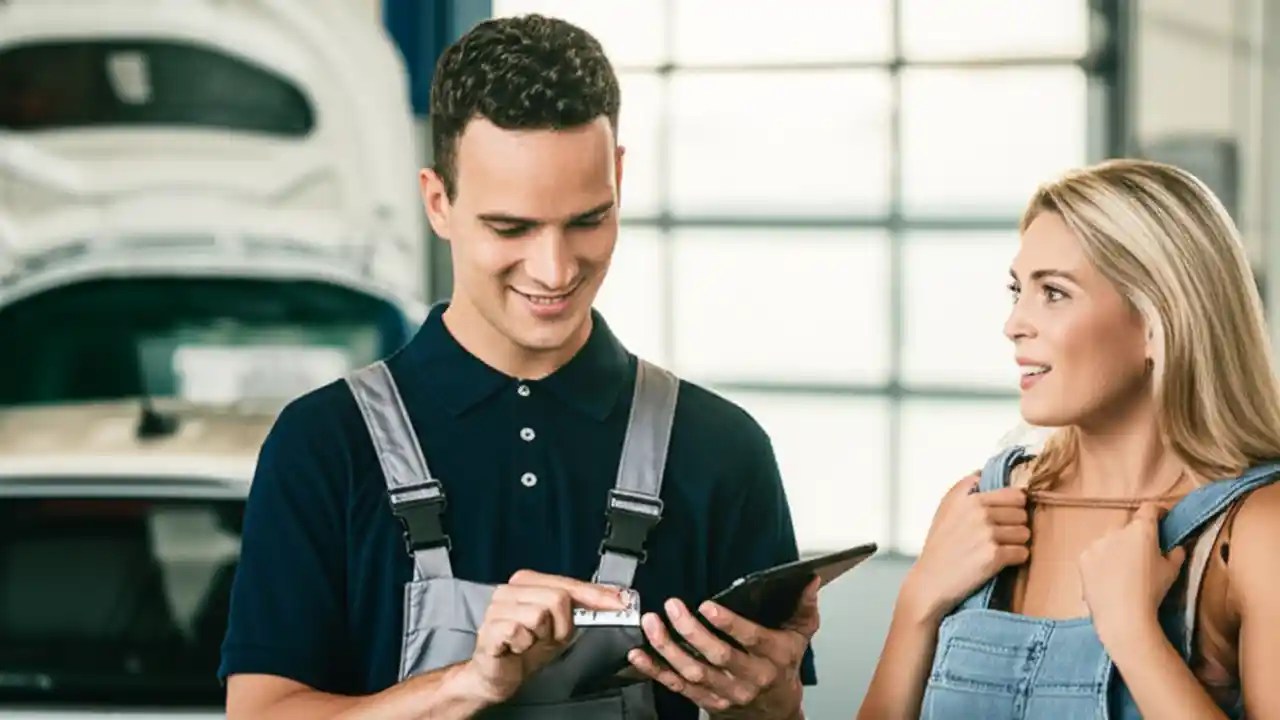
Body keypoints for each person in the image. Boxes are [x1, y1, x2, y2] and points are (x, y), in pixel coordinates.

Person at [220, 13, 817, 720]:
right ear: (438, 202)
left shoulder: (723, 450)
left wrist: (769, 702)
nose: (554, 269)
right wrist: (467, 685)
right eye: (512, 228)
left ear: (619, 178)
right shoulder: (323, 445)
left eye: (587, 220)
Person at [857, 159, 1280, 719]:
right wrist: (918, 604)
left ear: (1159, 320)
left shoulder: (1257, 529)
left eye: (1054, 292)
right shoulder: (979, 503)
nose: (1014, 324)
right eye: (1018, 290)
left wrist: (1133, 634)